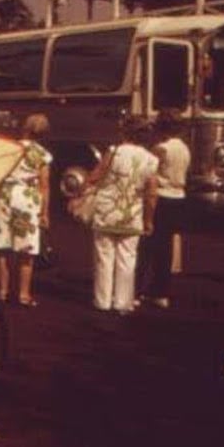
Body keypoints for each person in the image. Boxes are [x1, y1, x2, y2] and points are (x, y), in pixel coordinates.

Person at [86, 116, 159, 314]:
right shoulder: (151, 159)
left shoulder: (113, 152)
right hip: (132, 215)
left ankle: (102, 301)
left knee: (104, 257)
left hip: (106, 212)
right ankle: (123, 302)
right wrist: (149, 220)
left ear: (124, 132)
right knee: (128, 259)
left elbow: (95, 177)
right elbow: (152, 193)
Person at [0, 114, 52, 307]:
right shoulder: (42, 154)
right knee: (26, 249)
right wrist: (44, 212)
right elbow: (44, 185)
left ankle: (2, 290)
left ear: (24, 128)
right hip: (27, 198)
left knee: (2, 246)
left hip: (5, 196)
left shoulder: (10, 148)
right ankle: (23, 294)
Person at [136, 109, 191, 308]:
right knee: (165, 247)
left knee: (146, 245)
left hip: (161, 196)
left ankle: (136, 289)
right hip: (178, 197)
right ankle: (161, 292)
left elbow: (146, 172)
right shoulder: (185, 148)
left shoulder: (160, 148)